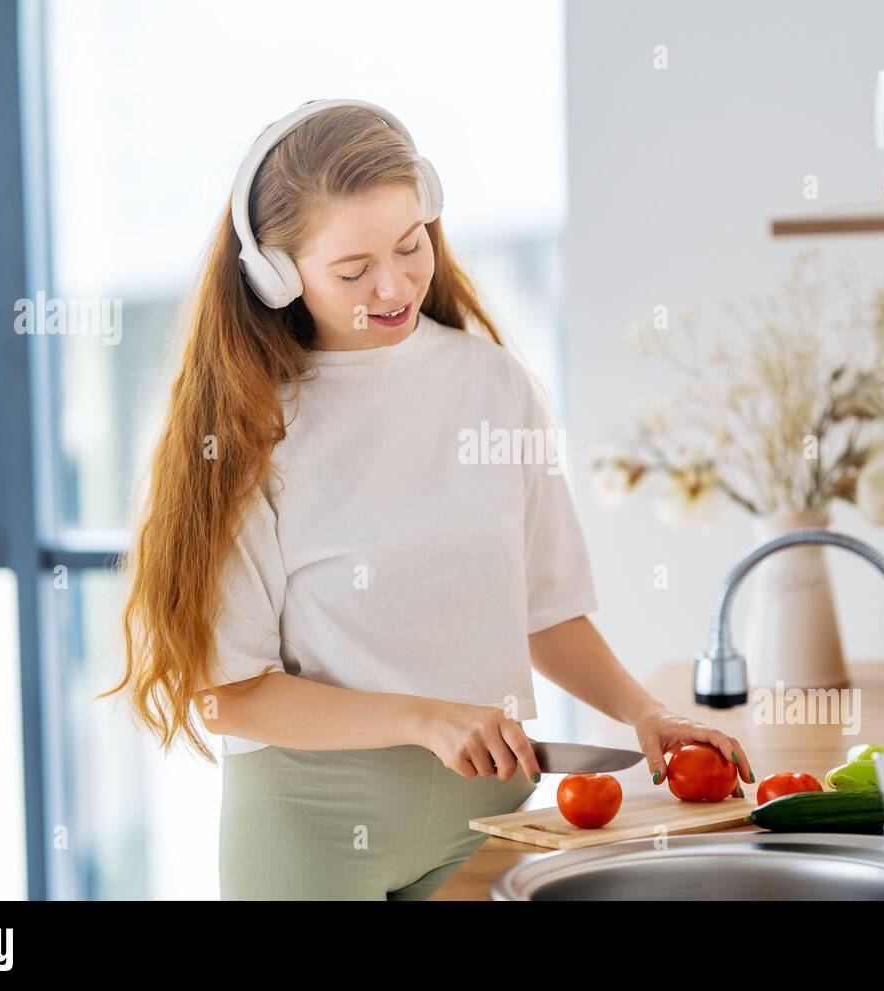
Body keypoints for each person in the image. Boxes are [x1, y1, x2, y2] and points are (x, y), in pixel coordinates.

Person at [104, 99, 753, 900]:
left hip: (495, 815)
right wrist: (425, 718)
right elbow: (232, 694)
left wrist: (644, 713)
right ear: (276, 274)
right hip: (309, 840)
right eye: (352, 270)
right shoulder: (248, 429)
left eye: (411, 245)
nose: (394, 284)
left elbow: (545, 611)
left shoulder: (494, 384)